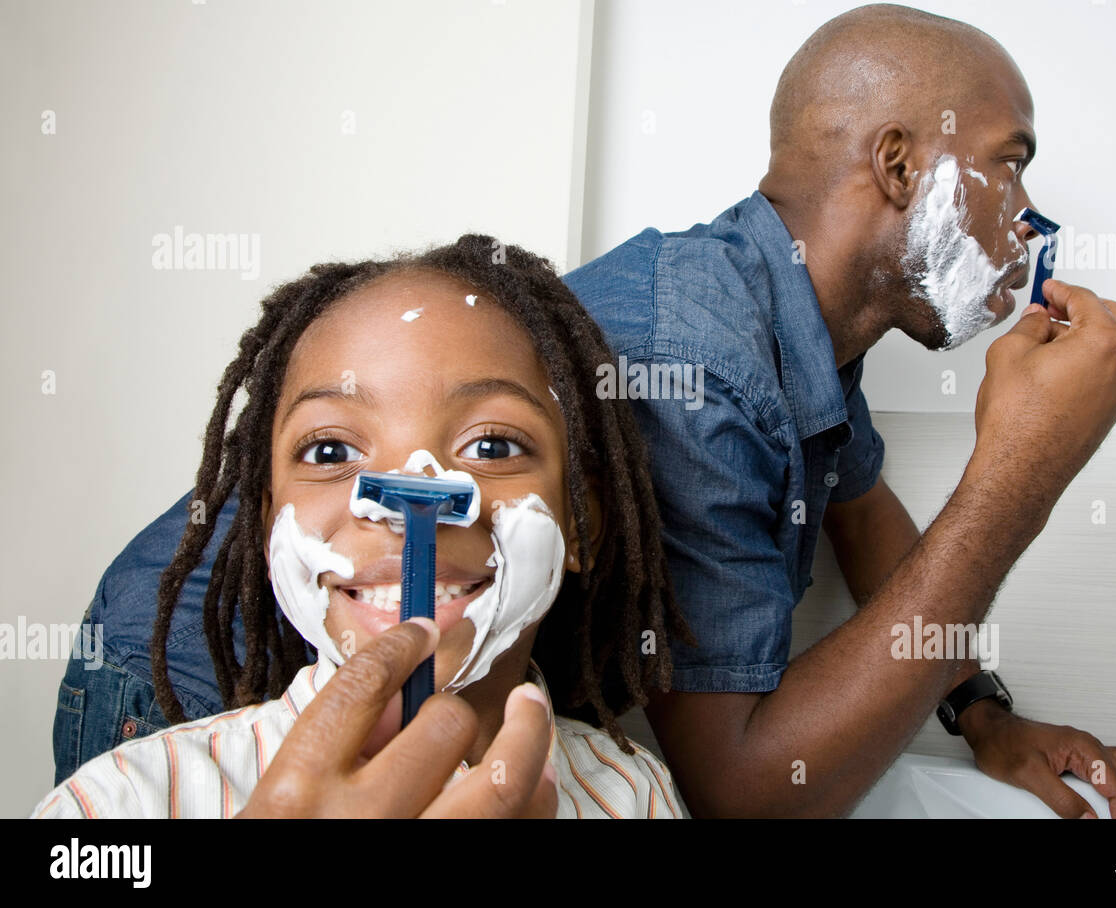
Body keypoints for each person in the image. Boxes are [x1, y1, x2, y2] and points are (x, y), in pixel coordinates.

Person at [54, 4, 1116, 819]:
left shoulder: (797, 328)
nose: (1029, 216)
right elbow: (751, 791)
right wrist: (1022, 474)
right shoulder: (693, 358)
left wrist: (984, 712)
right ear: (901, 166)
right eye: (1011, 165)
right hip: (187, 683)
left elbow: (863, 514)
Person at [36, 236, 687, 818]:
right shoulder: (121, 802)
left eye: (491, 446)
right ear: (267, 526)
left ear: (582, 523)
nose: (410, 503)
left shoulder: (635, 796)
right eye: (329, 452)